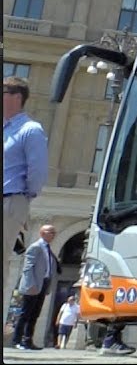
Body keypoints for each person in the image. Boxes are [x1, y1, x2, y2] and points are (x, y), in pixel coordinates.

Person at [3, 75, 49, 333]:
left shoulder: (30, 130)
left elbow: (38, 171)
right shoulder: (6, 128)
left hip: (11, 200)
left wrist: (23, 196)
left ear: (15, 97)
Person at [11, 223, 59, 350]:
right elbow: (28, 267)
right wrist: (31, 284)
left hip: (43, 284)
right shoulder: (36, 247)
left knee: (35, 314)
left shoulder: (48, 248)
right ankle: (16, 340)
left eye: (54, 232)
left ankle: (28, 340)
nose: (53, 235)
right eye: (51, 232)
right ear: (42, 233)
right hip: (33, 285)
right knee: (25, 314)